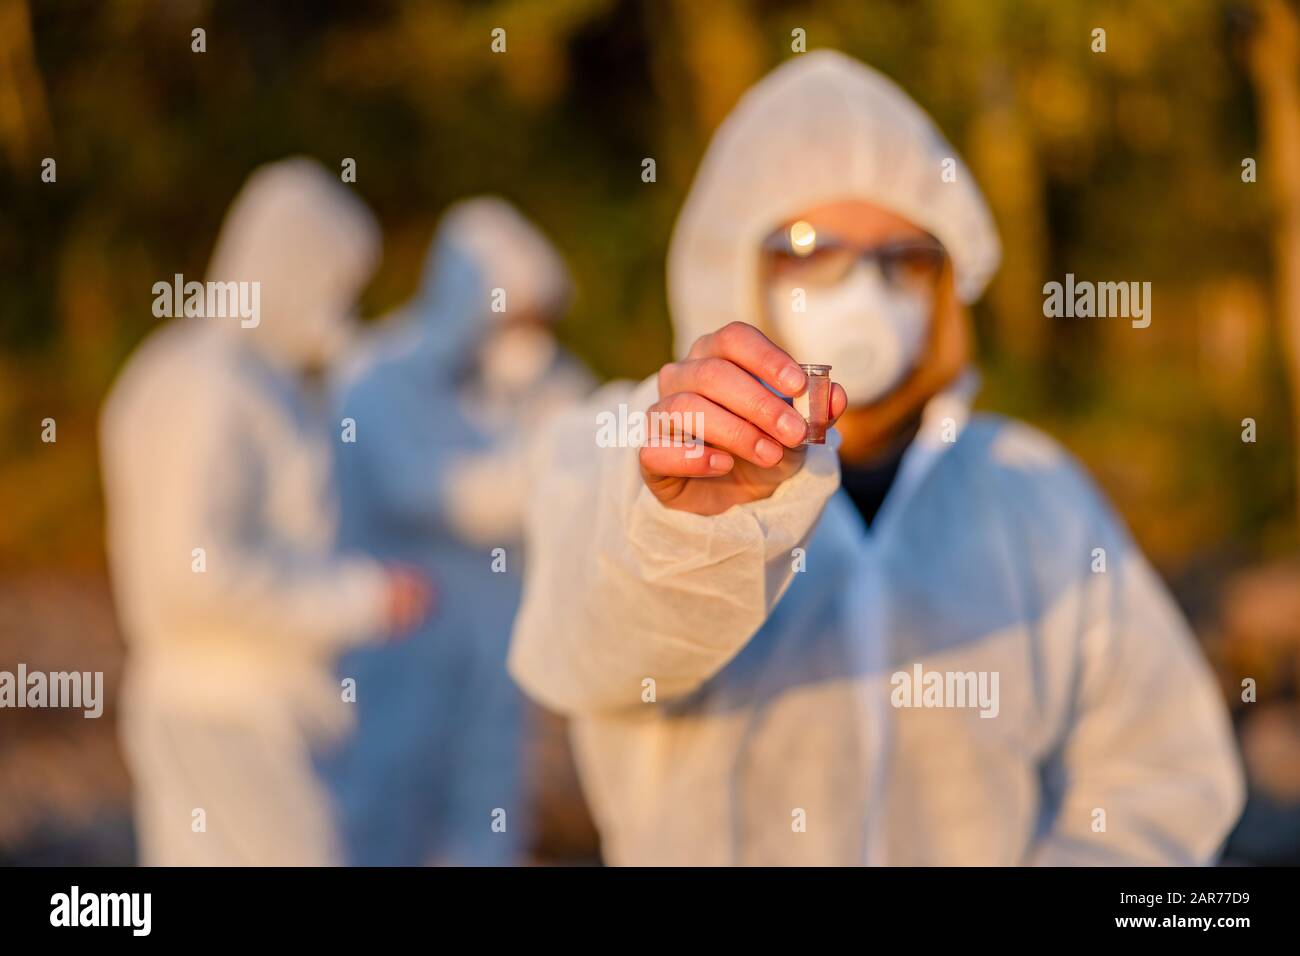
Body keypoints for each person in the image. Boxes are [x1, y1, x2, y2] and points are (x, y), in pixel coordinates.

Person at [508, 51, 1245, 865]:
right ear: (733, 262)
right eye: (809, 247)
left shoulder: (1033, 494)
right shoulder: (626, 447)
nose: (861, 286)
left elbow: (1157, 767)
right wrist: (689, 527)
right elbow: (596, 639)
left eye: (903, 257)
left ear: (945, 281)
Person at [100, 158, 431, 866]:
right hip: (233, 713)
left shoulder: (201, 371)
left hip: (241, 709)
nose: (338, 309)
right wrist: (364, 598)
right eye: (332, 286)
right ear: (288, 268)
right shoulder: (215, 384)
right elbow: (194, 572)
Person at [321, 197, 592, 865]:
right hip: (399, 654)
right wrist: (547, 468)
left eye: (538, 319)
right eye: (512, 317)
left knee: (488, 820)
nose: (529, 338)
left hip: (497, 656)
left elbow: (597, 450)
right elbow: (429, 493)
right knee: (384, 818)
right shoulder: (379, 376)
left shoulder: (541, 386)